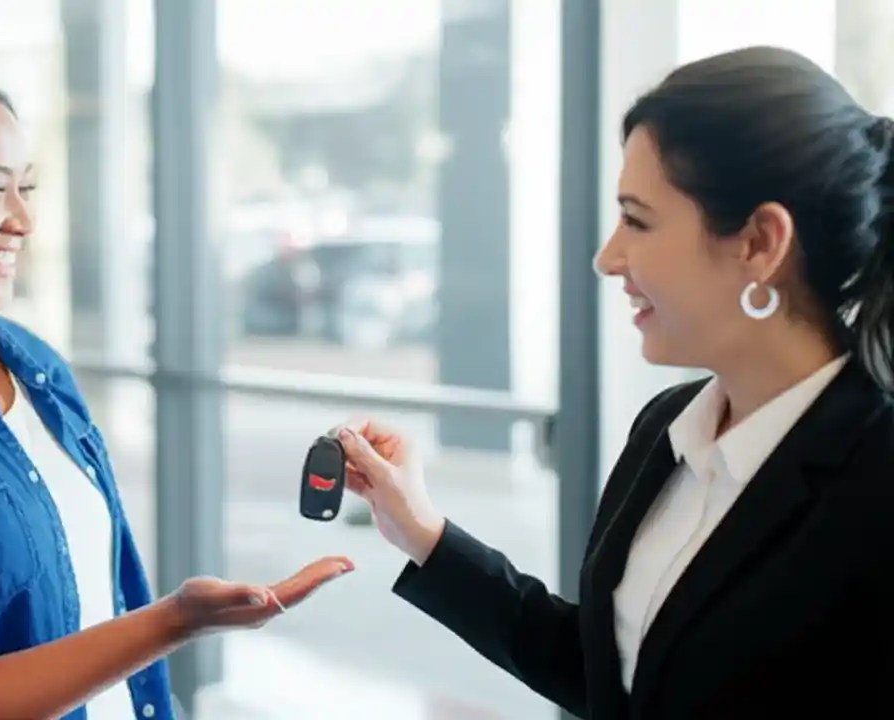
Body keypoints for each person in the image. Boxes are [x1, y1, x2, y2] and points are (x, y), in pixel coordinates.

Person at [337, 45, 894, 719]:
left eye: (636, 219)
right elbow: (614, 673)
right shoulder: (668, 427)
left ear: (759, 242)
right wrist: (421, 531)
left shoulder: (875, 476)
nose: (607, 257)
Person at [0, 57, 352, 720]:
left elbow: (99, 599)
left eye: (26, 188)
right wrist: (175, 620)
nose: (22, 220)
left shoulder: (31, 361)